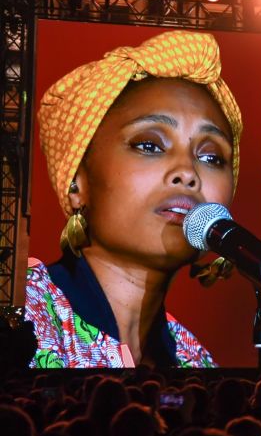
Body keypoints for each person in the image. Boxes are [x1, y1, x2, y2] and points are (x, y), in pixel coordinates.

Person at [25, 30, 243, 368]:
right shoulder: (23, 315)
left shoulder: (193, 360)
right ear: (75, 184)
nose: (188, 173)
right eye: (150, 145)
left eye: (212, 157)